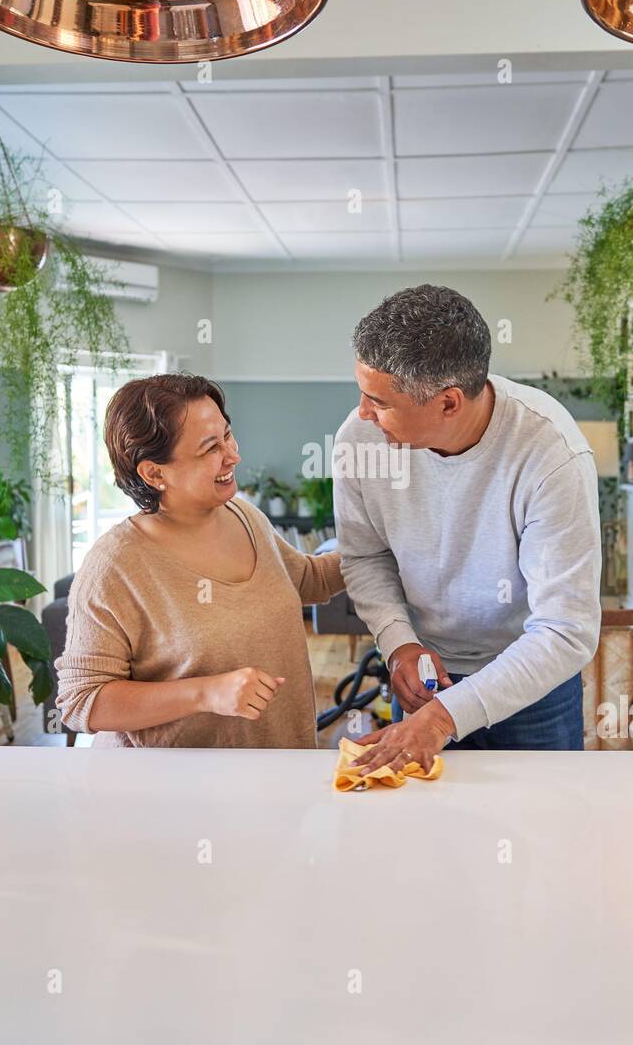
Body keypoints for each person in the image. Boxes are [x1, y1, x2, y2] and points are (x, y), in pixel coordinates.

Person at [333, 284, 601, 772]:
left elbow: (565, 631)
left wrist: (444, 719)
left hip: (530, 688)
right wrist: (398, 644)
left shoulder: (552, 454)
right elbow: (365, 556)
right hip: (423, 677)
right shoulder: (360, 438)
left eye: (378, 400)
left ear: (449, 403)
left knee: (542, 835)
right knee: (424, 837)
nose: (362, 413)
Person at [56, 373, 343, 747]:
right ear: (154, 472)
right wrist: (206, 693)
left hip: (279, 772)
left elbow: (307, 579)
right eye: (210, 448)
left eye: (227, 434)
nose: (233, 455)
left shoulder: (245, 515)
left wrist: (394, 547)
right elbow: (82, 702)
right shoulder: (115, 565)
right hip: (175, 793)